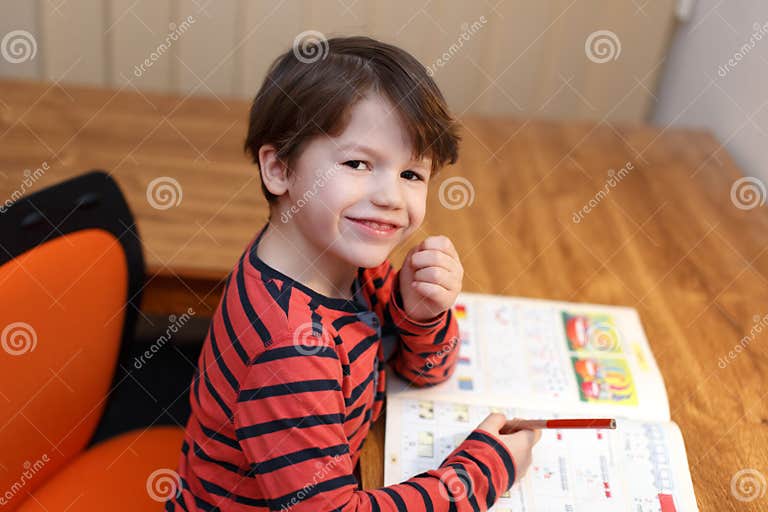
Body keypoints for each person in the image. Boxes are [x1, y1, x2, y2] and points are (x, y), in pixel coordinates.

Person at [166, 35, 540, 512]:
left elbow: (426, 371)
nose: (390, 197)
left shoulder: (341, 258)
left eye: (411, 174)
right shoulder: (291, 349)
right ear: (279, 169)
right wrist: (481, 473)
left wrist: (419, 316)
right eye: (358, 163)